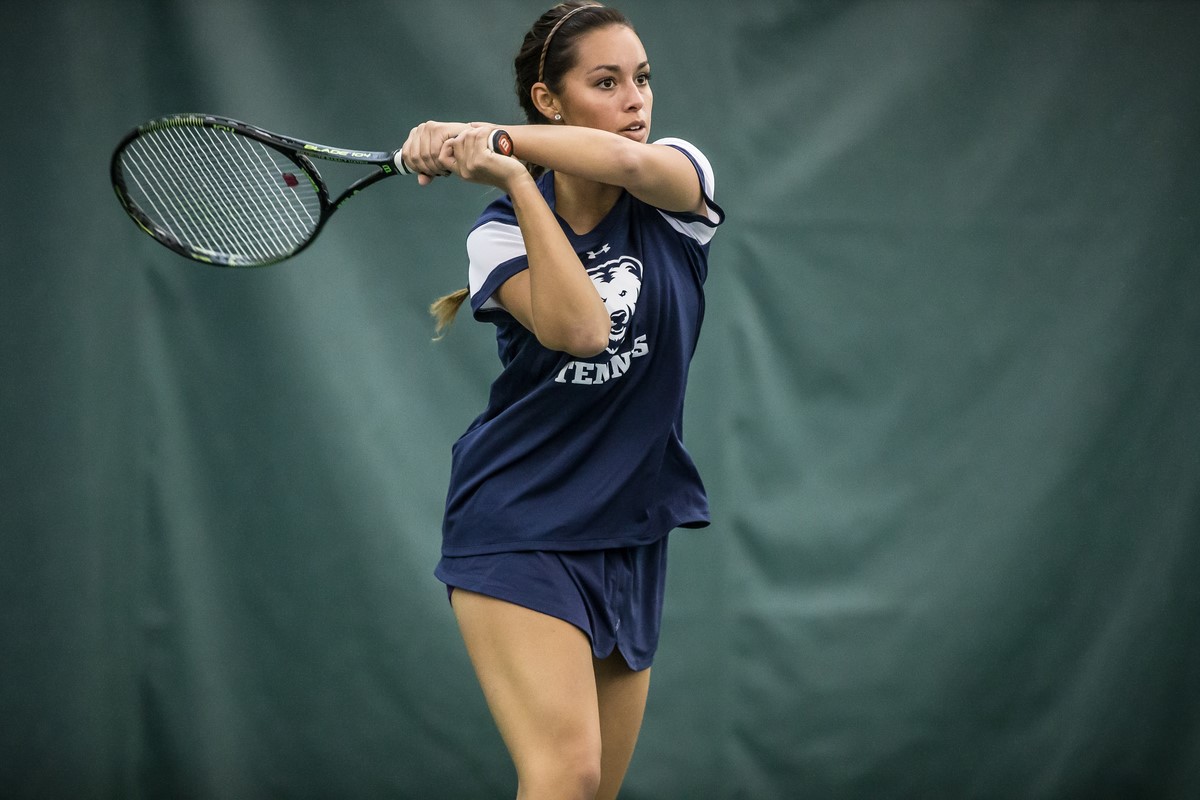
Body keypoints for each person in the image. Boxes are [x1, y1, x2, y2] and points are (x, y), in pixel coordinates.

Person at [401, 3, 723, 798]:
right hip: (519, 520)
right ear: (550, 99)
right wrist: (516, 180)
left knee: (593, 790)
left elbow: (624, 161)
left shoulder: (679, 184)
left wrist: (494, 140)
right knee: (565, 775)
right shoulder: (497, 236)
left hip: (629, 527)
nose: (636, 101)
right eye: (606, 83)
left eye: (642, 78)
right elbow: (582, 330)